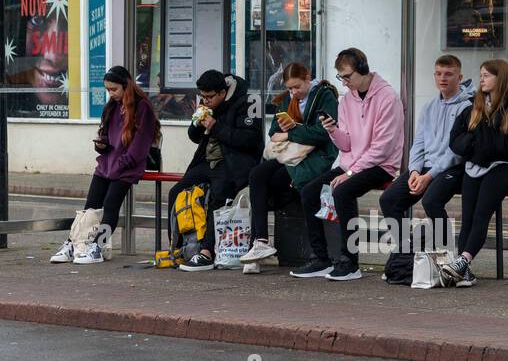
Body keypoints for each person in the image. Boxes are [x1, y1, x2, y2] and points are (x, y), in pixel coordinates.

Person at [296, 48, 404, 281]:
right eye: (341, 77)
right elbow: (346, 145)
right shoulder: (346, 100)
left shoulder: (387, 97)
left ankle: (349, 261)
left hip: (381, 164)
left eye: (347, 76)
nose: (344, 83)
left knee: (342, 191)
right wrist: (333, 130)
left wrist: (351, 171)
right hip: (352, 163)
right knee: (309, 192)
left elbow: (382, 147)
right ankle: (320, 258)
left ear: (363, 70)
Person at [50, 65, 159, 265]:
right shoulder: (111, 107)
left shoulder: (142, 108)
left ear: (127, 86)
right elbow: (107, 136)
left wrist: (121, 163)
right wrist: (102, 145)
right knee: (89, 207)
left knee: (110, 207)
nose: (111, 93)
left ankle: (97, 247)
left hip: (126, 168)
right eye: (108, 89)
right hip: (107, 164)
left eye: (114, 89)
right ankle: (74, 243)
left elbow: (140, 146)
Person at [439, 59, 508, 287]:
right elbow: (455, 140)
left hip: (502, 168)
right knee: (467, 218)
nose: (481, 79)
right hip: (474, 168)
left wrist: (479, 141)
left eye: (487, 75)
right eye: (481, 74)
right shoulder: (473, 106)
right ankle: (464, 271)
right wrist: (478, 143)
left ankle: (463, 261)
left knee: (482, 214)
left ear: (500, 79)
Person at [240, 63, 339, 267]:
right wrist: (288, 130)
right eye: (290, 88)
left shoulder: (324, 95)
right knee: (257, 174)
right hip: (290, 155)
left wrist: (291, 132)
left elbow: (322, 133)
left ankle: (259, 245)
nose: (294, 92)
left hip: (314, 158)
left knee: (270, 184)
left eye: (297, 87)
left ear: (307, 78)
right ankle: (260, 241)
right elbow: (273, 133)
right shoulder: (288, 98)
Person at [167, 69, 260, 272]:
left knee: (218, 195)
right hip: (206, 162)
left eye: (209, 97)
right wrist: (198, 122)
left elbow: (251, 140)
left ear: (222, 92)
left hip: (233, 163)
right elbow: (194, 137)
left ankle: (207, 252)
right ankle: (179, 248)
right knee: (176, 192)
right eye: (202, 97)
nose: (206, 101)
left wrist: (216, 126)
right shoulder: (207, 105)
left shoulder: (247, 101)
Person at [380, 55, 473, 250]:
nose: (443, 78)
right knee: (389, 200)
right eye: (438, 74)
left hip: (453, 168)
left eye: (449, 74)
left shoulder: (468, 107)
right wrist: (414, 170)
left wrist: (429, 176)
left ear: (460, 76)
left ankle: (446, 256)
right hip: (424, 168)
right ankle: (406, 253)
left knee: (431, 201)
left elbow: (457, 152)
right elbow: (419, 143)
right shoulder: (429, 106)